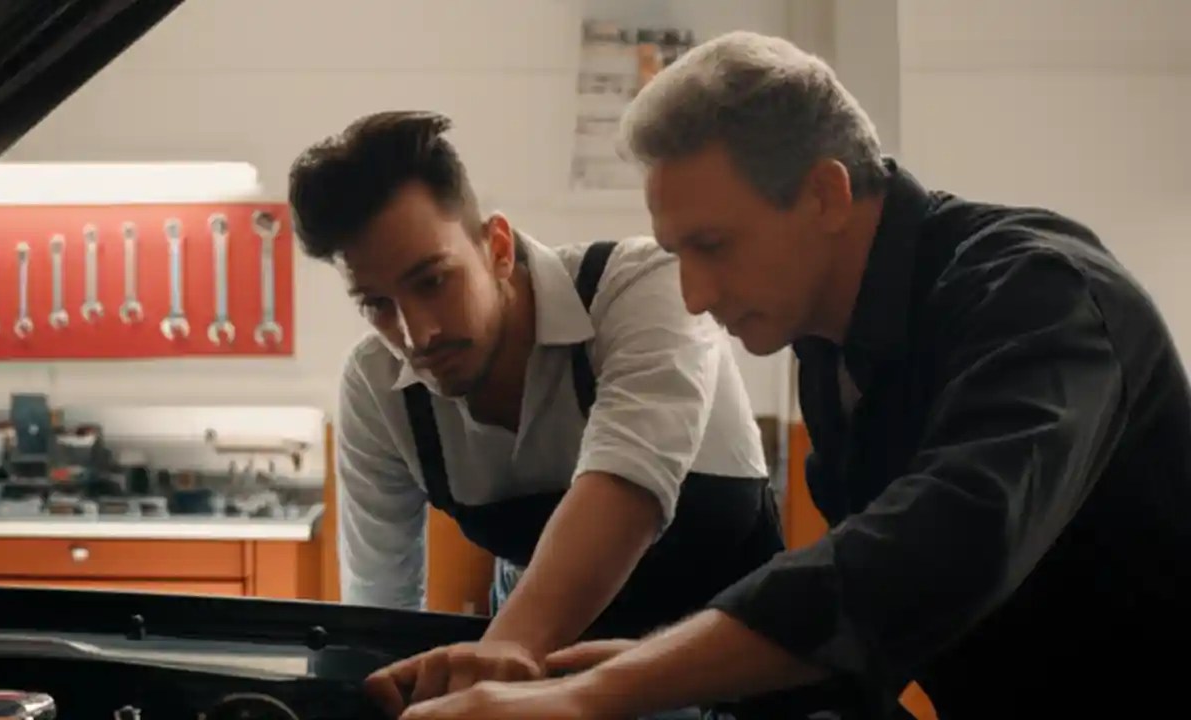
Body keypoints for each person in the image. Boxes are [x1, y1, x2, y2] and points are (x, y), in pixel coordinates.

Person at [395, 31, 1191, 720]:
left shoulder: (1041, 294)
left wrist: (588, 698)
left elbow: (928, 555)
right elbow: (864, 637)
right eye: (677, 257)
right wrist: (627, 667)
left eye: (713, 246)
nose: (696, 298)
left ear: (825, 194)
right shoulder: (829, 351)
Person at [287, 110, 786, 715]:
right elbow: (376, 613)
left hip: (741, 677)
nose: (416, 334)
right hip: (544, 694)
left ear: (496, 247)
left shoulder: (641, 286)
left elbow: (627, 484)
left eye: (433, 280)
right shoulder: (376, 387)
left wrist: (506, 650)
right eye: (376, 304)